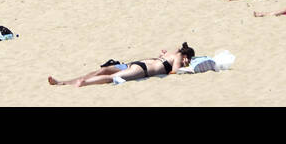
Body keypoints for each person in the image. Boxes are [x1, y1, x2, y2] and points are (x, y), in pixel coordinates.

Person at [48, 43, 196, 87]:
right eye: (188, 59)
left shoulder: (170, 53)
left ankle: (63, 82)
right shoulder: (178, 57)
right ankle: (83, 82)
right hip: (141, 70)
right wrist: (186, 68)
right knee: (110, 77)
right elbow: (176, 71)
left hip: (134, 63)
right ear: (185, 55)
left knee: (103, 71)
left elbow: (166, 56)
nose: (187, 62)